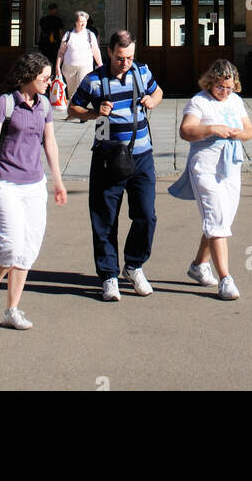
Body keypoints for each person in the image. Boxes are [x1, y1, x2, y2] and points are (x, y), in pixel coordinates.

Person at [68, 30, 163, 301]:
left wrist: (151, 101)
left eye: (130, 57)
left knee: (146, 214)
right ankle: (109, 275)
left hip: (141, 155)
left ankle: (134, 265)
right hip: (107, 157)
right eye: (121, 58)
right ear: (109, 52)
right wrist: (95, 113)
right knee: (105, 218)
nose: (125, 63)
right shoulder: (94, 80)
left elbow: (158, 93)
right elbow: (72, 110)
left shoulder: (141, 72)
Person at [0, 51, 67, 330]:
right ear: (28, 76)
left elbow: (49, 143)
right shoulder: (4, 103)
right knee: (11, 244)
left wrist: (58, 181)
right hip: (4, 182)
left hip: (34, 185)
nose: (48, 83)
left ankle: (12, 309)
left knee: (28, 249)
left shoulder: (44, 107)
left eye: (50, 78)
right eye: (44, 78)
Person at [171, 59, 252, 301]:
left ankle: (199, 265)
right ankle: (226, 279)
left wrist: (239, 133)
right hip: (205, 168)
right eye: (220, 87)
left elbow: (249, 130)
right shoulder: (199, 102)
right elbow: (186, 131)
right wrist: (211, 129)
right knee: (217, 219)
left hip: (230, 167)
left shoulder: (236, 102)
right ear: (210, 82)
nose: (224, 92)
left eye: (229, 88)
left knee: (222, 219)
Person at [56, 11, 102, 100]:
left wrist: (100, 65)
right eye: (81, 22)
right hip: (69, 67)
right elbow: (61, 52)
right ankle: (73, 112)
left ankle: (80, 110)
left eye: (85, 21)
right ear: (76, 22)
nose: (83, 24)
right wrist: (57, 67)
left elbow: (96, 51)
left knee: (82, 89)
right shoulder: (69, 34)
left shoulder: (90, 35)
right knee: (71, 93)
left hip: (85, 66)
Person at [38, 2, 63, 66]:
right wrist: (62, 43)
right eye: (55, 9)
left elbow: (42, 31)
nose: (56, 11)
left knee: (45, 61)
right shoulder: (57, 20)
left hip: (45, 43)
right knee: (54, 60)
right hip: (54, 44)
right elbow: (60, 33)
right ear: (54, 9)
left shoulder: (43, 20)